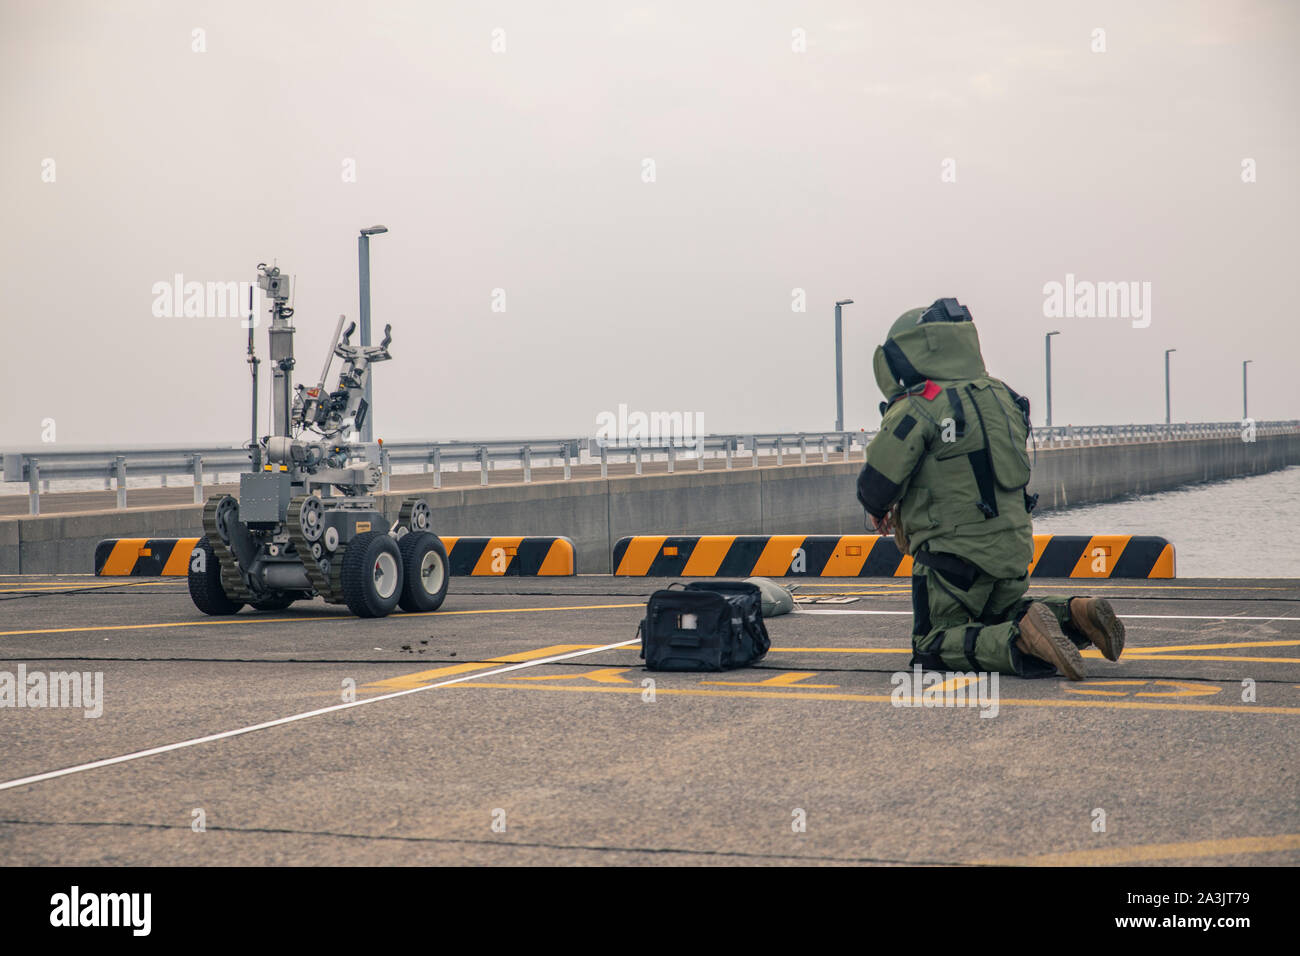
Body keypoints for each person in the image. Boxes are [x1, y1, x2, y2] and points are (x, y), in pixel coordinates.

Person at [855, 298, 1125, 680]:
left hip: (953, 561)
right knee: (994, 614)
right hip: (1013, 553)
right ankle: (1076, 614)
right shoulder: (1001, 394)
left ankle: (1019, 642)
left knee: (931, 644)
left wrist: (876, 507)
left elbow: (876, 483)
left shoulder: (921, 404)